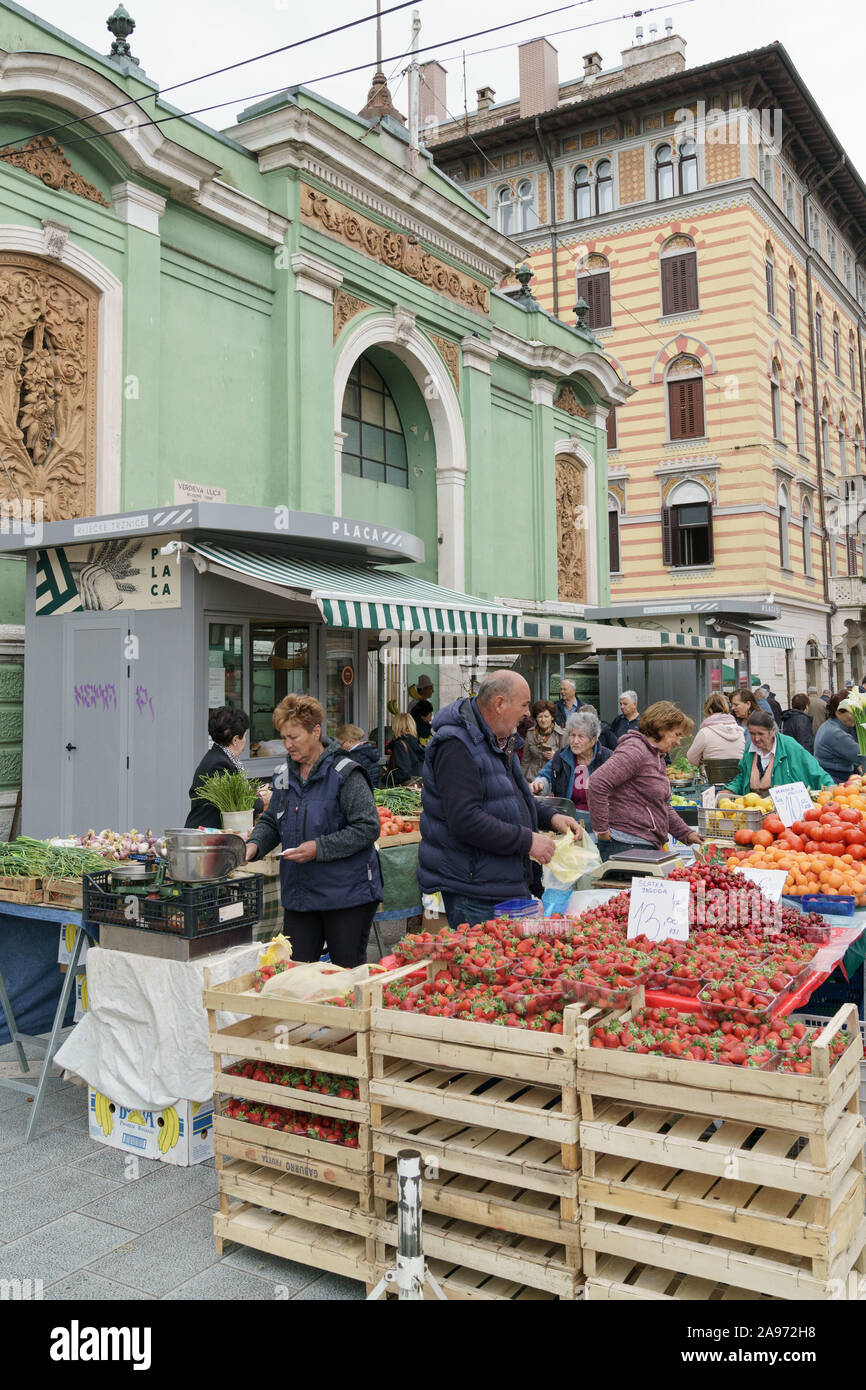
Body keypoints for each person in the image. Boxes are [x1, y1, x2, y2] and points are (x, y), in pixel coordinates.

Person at [418, 669, 584, 929]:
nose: (528, 713)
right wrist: (528, 841)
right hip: (474, 886)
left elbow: (514, 798)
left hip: (498, 879)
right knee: (481, 965)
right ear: (499, 704)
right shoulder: (456, 746)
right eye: (524, 704)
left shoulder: (499, 740)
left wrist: (552, 818)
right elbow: (465, 819)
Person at [244, 694, 382, 967]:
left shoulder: (345, 773)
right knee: (296, 973)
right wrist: (254, 844)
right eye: (283, 738)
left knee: (345, 975)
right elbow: (274, 819)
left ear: (316, 731)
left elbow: (368, 827)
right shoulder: (284, 774)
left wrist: (319, 848)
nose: (287, 745)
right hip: (300, 895)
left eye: (293, 737)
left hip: (346, 896)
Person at [587, 701, 702, 861]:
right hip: (626, 845)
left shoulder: (657, 756)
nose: (678, 742)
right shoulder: (635, 750)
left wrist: (687, 834)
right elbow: (597, 783)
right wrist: (602, 832)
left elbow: (661, 804)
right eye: (676, 734)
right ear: (661, 728)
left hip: (643, 844)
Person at [185, 706, 269, 829]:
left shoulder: (221, 758)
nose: (245, 740)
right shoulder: (218, 764)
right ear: (235, 740)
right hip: (205, 840)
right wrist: (261, 799)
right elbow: (238, 803)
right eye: (244, 736)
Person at [529, 708, 614, 829]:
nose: (575, 741)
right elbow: (545, 776)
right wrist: (539, 783)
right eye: (572, 735)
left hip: (601, 824)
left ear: (593, 740)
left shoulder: (608, 758)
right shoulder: (561, 757)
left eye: (581, 736)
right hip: (568, 821)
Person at [725, 710, 833, 795]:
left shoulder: (789, 746)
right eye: (752, 733)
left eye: (760, 734)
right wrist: (730, 790)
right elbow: (742, 776)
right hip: (755, 807)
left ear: (772, 731)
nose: (756, 738)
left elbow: (813, 770)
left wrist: (831, 788)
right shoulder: (750, 750)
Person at [813, 693, 864, 783]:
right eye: (853, 711)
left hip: (831, 776)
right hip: (836, 780)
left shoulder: (828, 725)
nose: (856, 715)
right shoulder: (836, 733)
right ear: (838, 713)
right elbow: (860, 755)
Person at [684, 692, 746, 767]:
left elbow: (691, 758)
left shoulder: (705, 732)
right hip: (739, 776)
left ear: (708, 709)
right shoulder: (739, 731)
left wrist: (702, 761)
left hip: (713, 776)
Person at [521, 699, 566, 783]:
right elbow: (525, 761)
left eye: (546, 716)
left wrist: (555, 756)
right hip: (531, 779)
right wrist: (521, 781)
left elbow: (568, 761)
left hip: (551, 781)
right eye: (540, 716)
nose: (543, 720)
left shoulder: (562, 734)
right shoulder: (530, 733)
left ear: (552, 717)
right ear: (536, 718)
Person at [384, 711, 425, 785]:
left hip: (405, 789)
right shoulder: (416, 742)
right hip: (419, 785)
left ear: (396, 726)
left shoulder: (400, 744)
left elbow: (403, 773)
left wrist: (386, 778)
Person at [336, 723, 382, 788]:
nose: (340, 747)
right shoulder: (366, 749)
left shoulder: (356, 756)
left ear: (350, 742)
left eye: (341, 744)